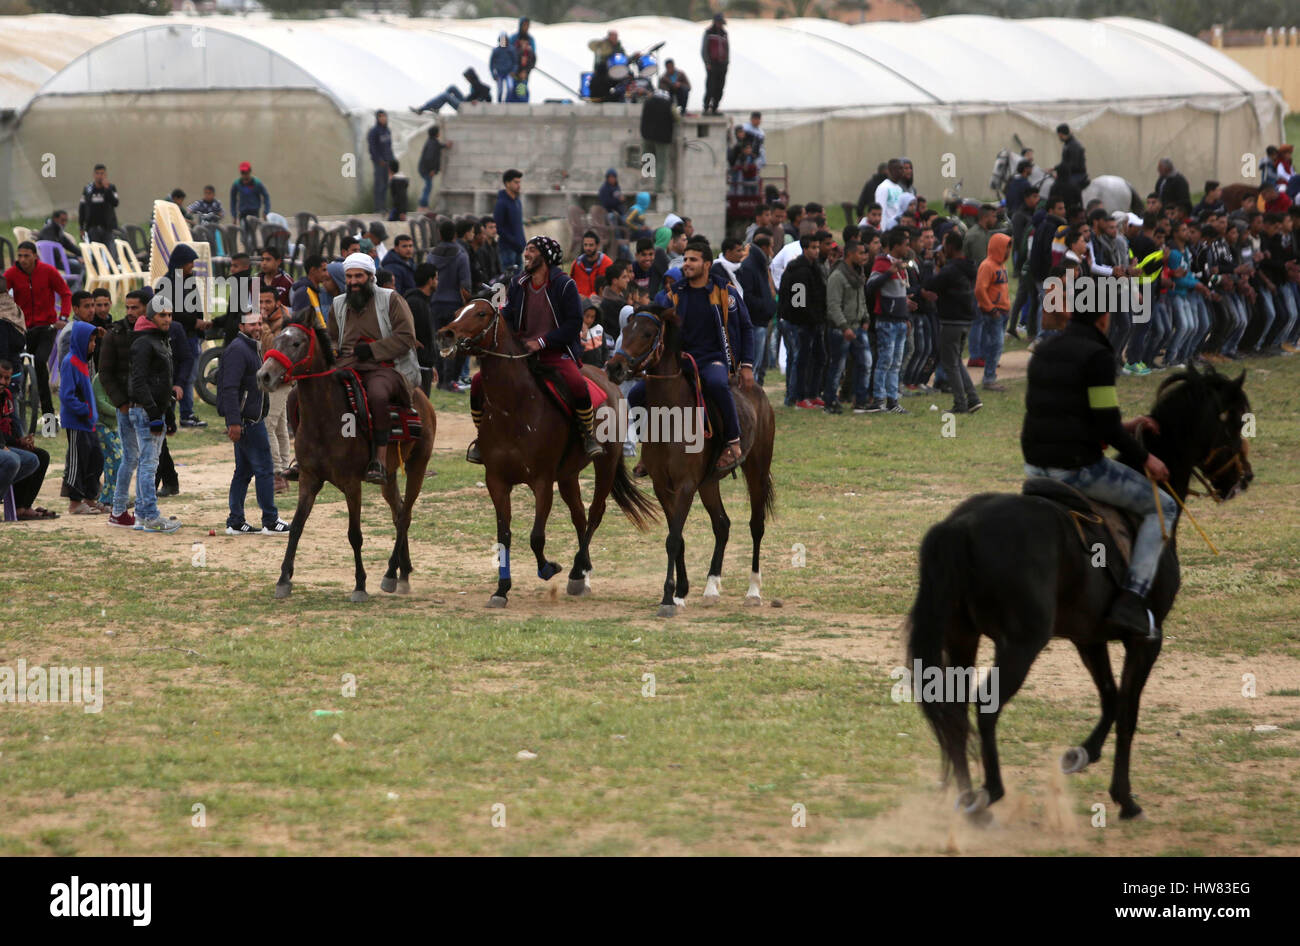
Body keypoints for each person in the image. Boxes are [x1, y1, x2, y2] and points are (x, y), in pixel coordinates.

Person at [1021, 275, 1177, 637]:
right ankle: (1133, 599)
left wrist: (1125, 424)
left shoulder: (1043, 349)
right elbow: (1105, 428)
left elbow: (1067, 412)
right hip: (1076, 470)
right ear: (1104, 316)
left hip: (1033, 467)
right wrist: (1147, 459)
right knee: (1164, 507)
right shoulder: (1098, 356)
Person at [466, 235, 602, 464]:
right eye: (526, 250)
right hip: (522, 353)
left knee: (578, 384)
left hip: (554, 351)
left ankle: (587, 435)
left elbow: (573, 323)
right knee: (479, 381)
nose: (526, 254)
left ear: (546, 256)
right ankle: (482, 438)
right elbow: (508, 315)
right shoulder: (519, 283)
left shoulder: (565, 285)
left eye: (531, 250)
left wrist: (541, 342)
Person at [634, 239, 754, 471]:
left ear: (707, 264)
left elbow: (746, 327)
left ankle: (733, 443)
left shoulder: (725, 292)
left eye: (693, 260)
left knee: (718, 385)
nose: (687, 263)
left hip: (712, 359)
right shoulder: (672, 295)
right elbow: (653, 317)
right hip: (678, 362)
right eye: (686, 259)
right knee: (637, 395)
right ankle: (649, 448)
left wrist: (747, 365)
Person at [327, 253, 420, 485]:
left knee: (377, 395)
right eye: (349, 277)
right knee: (309, 393)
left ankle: (379, 459)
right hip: (347, 364)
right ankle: (312, 455)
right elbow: (330, 338)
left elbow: (407, 337)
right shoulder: (338, 303)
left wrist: (373, 350)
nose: (353, 281)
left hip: (385, 366)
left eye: (359, 276)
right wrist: (331, 353)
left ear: (371, 276)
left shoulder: (390, 299)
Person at [219, 307, 289, 535]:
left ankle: (236, 521)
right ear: (241, 327)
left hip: (250, 419)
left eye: (259, 323)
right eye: (252, 324)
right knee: (265, 469)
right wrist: (234, 422)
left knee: (243, 472)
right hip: (248, 422)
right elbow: (228, 388)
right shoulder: (238, 350)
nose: (257, 328)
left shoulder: (251, 347)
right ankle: (270, 520)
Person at [128, 291, 182, 533]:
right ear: (151, 316)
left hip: (156, 411)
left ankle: (141, 514)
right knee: (149, 465)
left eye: (169, 315)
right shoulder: (143, 342)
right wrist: (152, 414)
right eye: (162, 315)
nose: (167, 319)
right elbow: (138, 382)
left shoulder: (161, 339)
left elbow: (163, 382)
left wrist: (167, 415)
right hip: (144, 411)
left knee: (149, 463)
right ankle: (150, 515)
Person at [4, 241, 71, 421]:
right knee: (15, 363)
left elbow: (65, 293)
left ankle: (48, 417)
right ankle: (14, 407)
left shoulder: (48, 271)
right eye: (20, 255)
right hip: (22, 328)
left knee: (40, 363)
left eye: (27, 255)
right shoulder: (11, 274)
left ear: (35, 256)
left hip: (46, 329)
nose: (23, 259)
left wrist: (63, 318)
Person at [926, 230, 982, 415]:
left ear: (949, 247)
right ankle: (972, 398)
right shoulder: (968, 266)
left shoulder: (950, 270)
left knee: (950, 363)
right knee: (956, 360)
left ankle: (960, 403)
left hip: (951, 321)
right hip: (966, 320)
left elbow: (931, 285)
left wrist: (938, 267)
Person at [863, 228, 913, 414]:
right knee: (885, 361)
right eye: (905, 244)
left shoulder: (901, 266)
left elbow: (899, 292)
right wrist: (887, 273)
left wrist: (906, 313)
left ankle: (893, 400)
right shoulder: (882, 264)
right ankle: (878, 400)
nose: (907, 247)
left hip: (899, 320)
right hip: (887, 321)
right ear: (896, 246)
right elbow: (870, 286)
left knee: (896, 363)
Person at [0, 357, 54, 520]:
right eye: (0, 377)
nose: (3, 381)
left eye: (7, 378)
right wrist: (13, 444)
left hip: (7, 442)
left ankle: (22, 506)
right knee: (13, 460)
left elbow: (14, 420)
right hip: (4, 444)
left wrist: (23, 439)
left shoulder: (7, 394)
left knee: (39, 457)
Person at [824, 237, 868, 415]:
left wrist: (865, 318)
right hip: (840, 329)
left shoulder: (858, 274)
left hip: (858, 326)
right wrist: (844, 327)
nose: (864, 256)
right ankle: (830, 401)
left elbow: (861, 299)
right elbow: (833, 305)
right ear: (850, 254)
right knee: (838, 367)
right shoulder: (837, 276)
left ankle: (861, 400)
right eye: (861, 253)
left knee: (865, 363)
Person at [256, 288, 293, 490]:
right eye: (260, 301)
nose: (264, 306)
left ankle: (277, 473)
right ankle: (285, 471)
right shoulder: (268, 321)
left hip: (282, 380)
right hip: (271, 379)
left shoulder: (285, 322)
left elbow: (272, 349)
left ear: (277, 303)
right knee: (279, 426)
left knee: (268, 424)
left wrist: (263, 326)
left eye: (268, 302)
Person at [428, 219, 471, 392]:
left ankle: (440, 380)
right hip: (454, 305)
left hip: (435, 303)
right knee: (454, 343)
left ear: (439, 234)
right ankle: (449, 380)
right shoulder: (461, 255)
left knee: (439, 342)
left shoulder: (432, 255)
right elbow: (465, 285)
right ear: (455, 235)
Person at [736, 231, 776, 386]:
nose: (772, 252)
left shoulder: (760, 265)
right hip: (755, 323)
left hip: (762, 322)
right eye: (771, 248)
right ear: (765, 248)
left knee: (761, 367)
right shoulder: (749, 267)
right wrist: (767, 306)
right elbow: (747, 297)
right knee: (753, 368)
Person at [974, 232, 1012, 392]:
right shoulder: (987, 265)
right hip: (993, 313)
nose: (1008, 251)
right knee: (996, 345)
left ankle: (990, 377)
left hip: (1003, 312)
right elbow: (979, 290)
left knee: (997, 345)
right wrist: (990, 308)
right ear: (997, 247)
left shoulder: (1001, 265)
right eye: (1006, 247)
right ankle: (989, 379)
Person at [406, 262, 438, 395]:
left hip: (425, 366)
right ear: (430, 280)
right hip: (416, 367)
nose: (437, 281)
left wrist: (431, 366)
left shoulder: (423, 302)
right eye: (436, 278)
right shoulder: (415, 303)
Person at [78, 164, 119, 246]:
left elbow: (115, 203)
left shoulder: (111, 188)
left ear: (105, 175)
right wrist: (81, 227)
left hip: (107, 228)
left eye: (102, 173)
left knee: (110, 253)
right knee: (95, 253)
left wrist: (107, 189)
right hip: (92, 227)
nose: (100, 176)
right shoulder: (88, 189)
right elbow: (82, 208)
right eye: (97, 173)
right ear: (94, 175)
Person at [494, 169, 526, 273]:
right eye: (516, 182)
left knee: (519, 282)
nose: (519, 185)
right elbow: (499, 228)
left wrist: (522, 242)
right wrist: (514, 242)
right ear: (507, 183)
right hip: (507, 250)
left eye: (519, 182)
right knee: (509, 282)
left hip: (518, 249)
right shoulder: (501, 203)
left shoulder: (517, 201)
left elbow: (518, 225)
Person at [291, 255, 333, 330]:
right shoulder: (303, 293)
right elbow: (299, 325)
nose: (327, 274)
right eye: (324, 270)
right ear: (313, 270)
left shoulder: (314, 291)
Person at [229, 162, 271, 237]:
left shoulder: (257, 183)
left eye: (246, 172)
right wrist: (234, 215)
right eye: (242, 172)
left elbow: (266, 196)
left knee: (252, 235)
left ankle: (251, 246)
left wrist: (266, 211)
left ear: (249, 171)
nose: (245, 174)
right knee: (243, 236)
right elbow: (233, 200)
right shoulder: (237, 184)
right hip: (243, 213)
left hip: (254, 212)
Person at [367, 110, 396, 215]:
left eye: (384, 116)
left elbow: (389, 147)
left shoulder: (387, 131)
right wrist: (379, 159)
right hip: (379, 163)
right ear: (377, 118)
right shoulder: (374, 131)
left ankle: (383, 207)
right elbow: (372, 148)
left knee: (385, 185)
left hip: (388, 162)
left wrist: (392, 161)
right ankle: (377, 208)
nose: (383, 118)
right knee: (379, 185)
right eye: (381, 117)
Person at [701, 13, 729, 115]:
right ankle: (706, 107)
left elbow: (727, 49)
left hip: (722, 65)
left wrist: (726, 63)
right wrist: (707, 62)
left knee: (720, 87)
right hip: (712, 64)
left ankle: (715, 107)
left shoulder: (724, 33)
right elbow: (704, 49)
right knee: (710, 87)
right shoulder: (709, 33)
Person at [417, 127, 451, 211]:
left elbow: (439, 146)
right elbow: (429, 158)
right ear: (436, 133)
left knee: (428, 186)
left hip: (425, 168)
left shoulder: (432, 142)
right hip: (426, 169)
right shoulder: (432, 143)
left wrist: (446, 145)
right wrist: (431, 170)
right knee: (428, 186)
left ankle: (423, 205)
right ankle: (423, 206)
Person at [571, 231, 613, 298]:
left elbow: (609, 287)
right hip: (579, 301)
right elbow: (571, 285)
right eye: (585, 245)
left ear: (598, 245)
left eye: (591, 245)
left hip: (599, 301)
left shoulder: (607, 263)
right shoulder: (576, 264)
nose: (588, 248)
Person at [1055, 123, 1089, 192]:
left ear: (1061, 134)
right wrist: (1055, 168)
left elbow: (1074, 165)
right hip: (1071, 173)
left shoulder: (1073, 145)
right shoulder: (1067, 144)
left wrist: (1059, 170)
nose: (1059, 137)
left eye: (1059, 135)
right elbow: (1065, 162)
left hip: (1077, 174)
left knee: (1067, 189)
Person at [490, 32, 518, 102]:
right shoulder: (496, 51)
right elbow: (491, 64)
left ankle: (507, 102)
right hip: (499, 73)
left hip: (509, 73)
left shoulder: (511, 50)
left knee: (510, 88)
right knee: (500, 90)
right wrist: (493, 74)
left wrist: (513, 71)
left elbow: (515, 62)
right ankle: (499, 102)